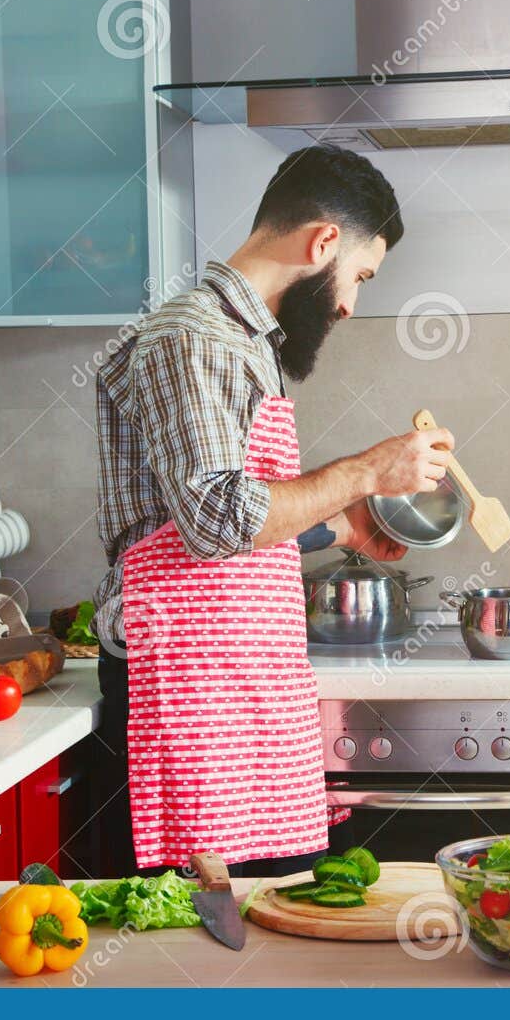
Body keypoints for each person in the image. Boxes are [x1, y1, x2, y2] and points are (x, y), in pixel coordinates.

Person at [91, 144, 453, 877]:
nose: (350, 303)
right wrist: (366, 469)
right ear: (322, 242)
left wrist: (346, 521)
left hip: (239, 679)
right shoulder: (192, 336)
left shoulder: (246, 345)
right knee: (198, 947)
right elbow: (215, 520)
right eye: (359, 275)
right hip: (188, 685)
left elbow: (241, 518)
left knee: (268, 928)